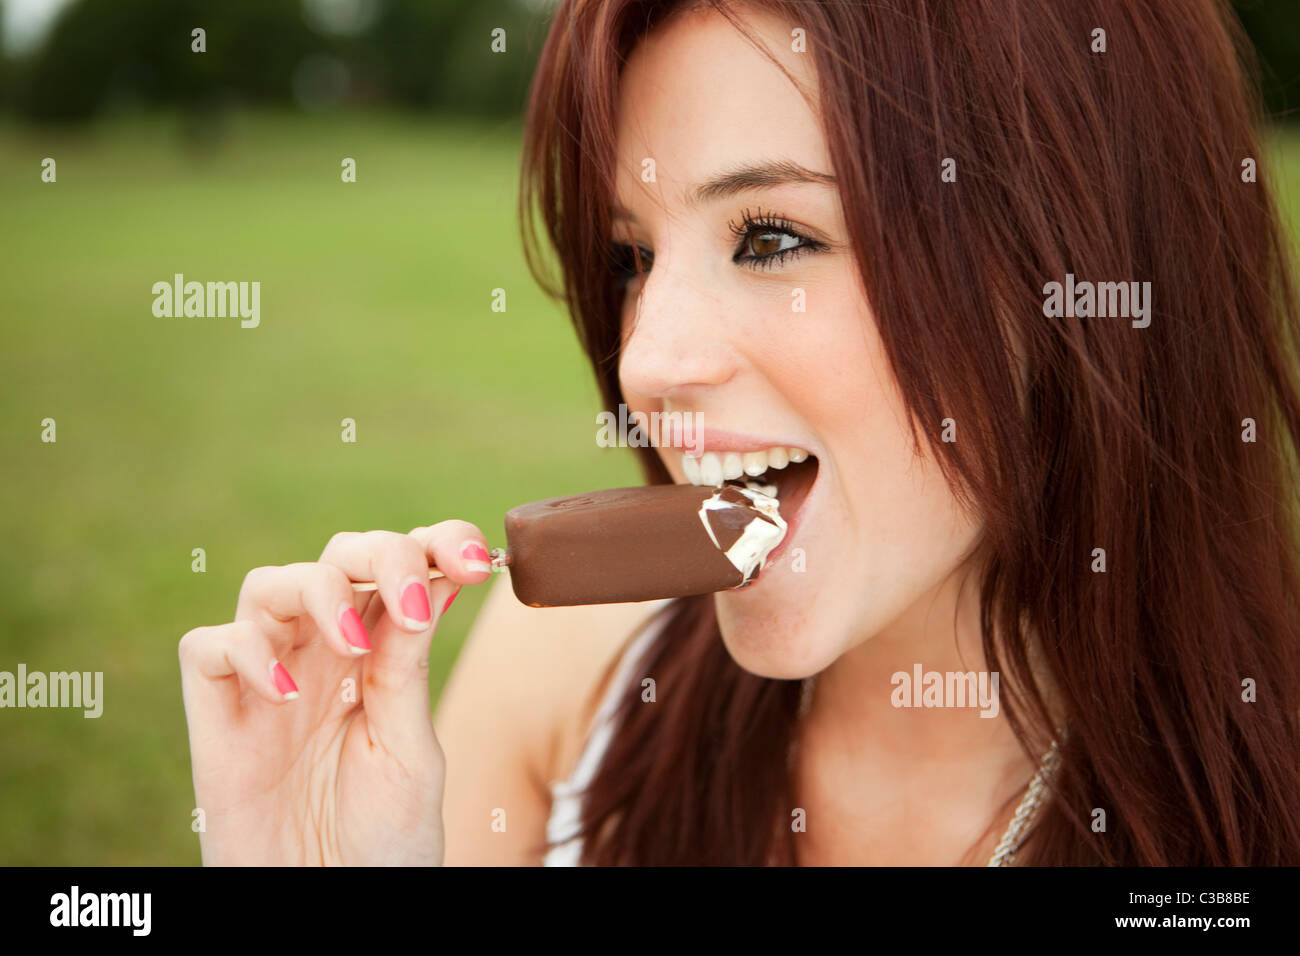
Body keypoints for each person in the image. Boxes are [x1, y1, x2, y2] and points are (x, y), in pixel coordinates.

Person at [179, 0, 1300, 865]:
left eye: (770, 237)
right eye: (631, 257)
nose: (644, 361)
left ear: (1066, 264)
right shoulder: (565, 679)